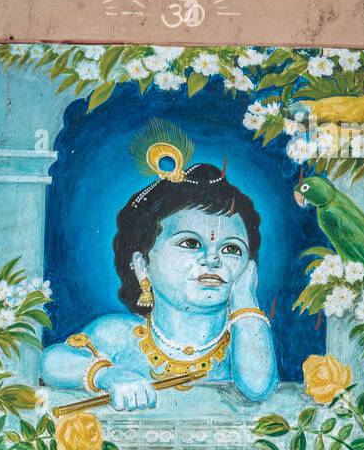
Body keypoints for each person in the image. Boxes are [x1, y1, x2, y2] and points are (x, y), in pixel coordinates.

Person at [40, 146, 277, 411]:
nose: (213, 259)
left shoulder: (242, 345)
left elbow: (257, 387)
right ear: (142, 265)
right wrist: (109, 375)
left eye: (231, 249)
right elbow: (51, 362)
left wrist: (245, 298)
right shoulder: (118, 335)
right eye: (190, 242)